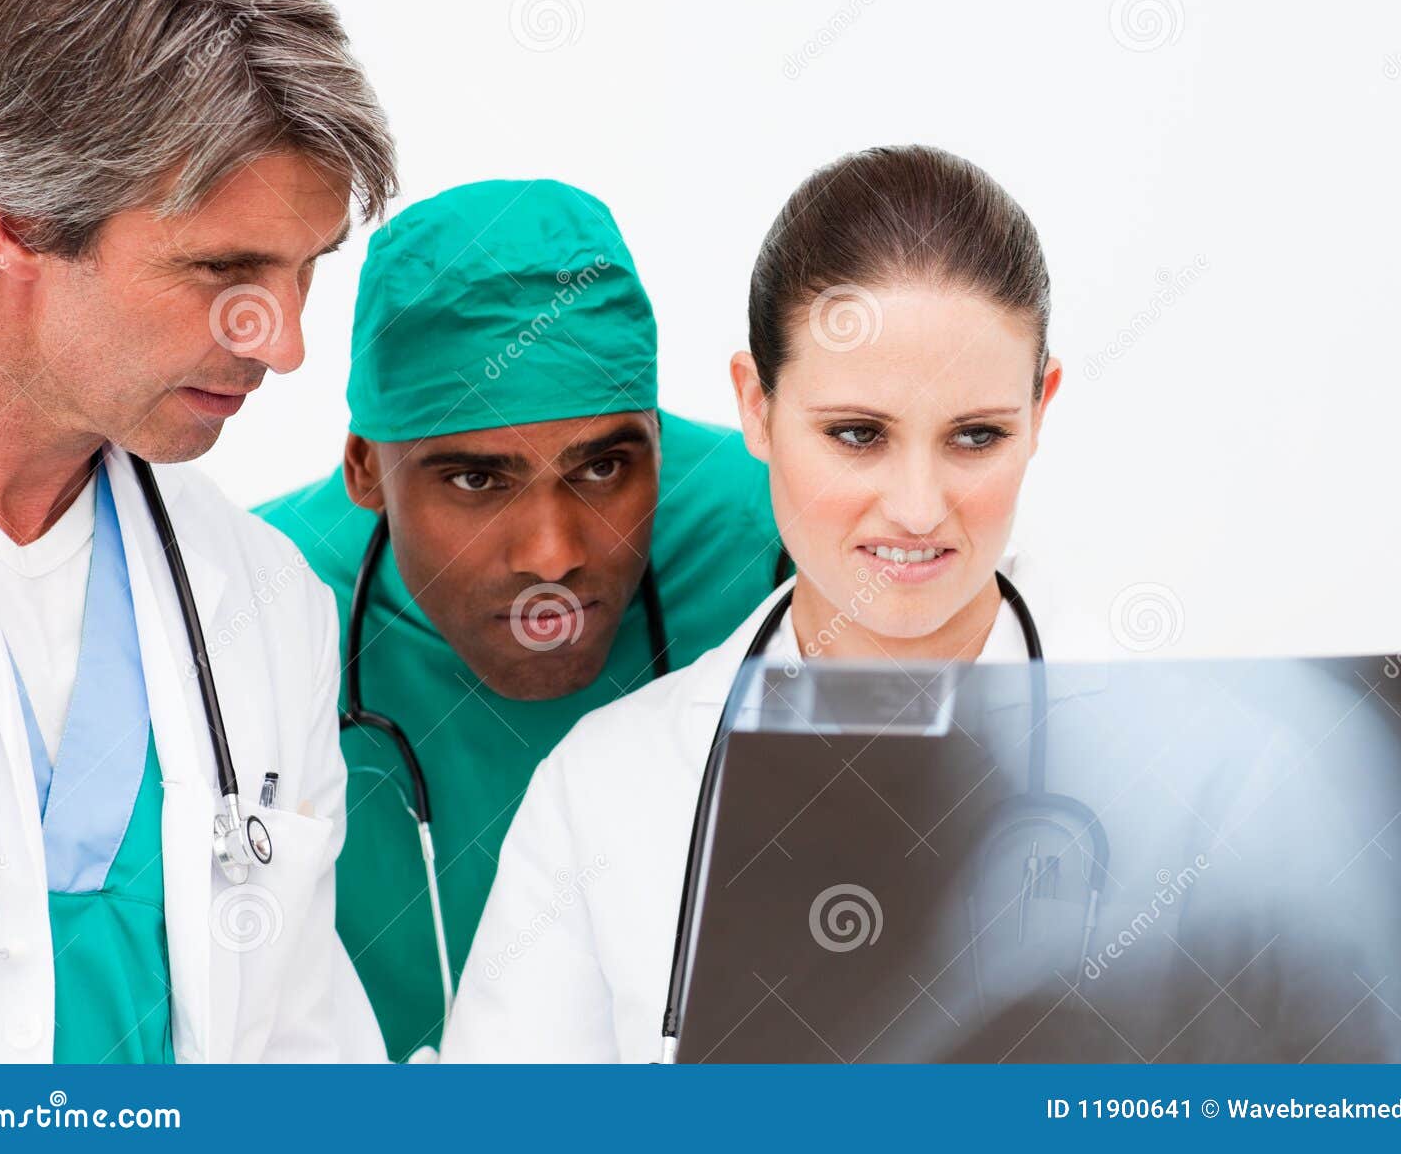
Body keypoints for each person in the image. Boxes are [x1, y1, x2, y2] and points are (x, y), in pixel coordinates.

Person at [441, 144, 1098, 1062]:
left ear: (1042, 410)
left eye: (976, 436)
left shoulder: (1203, 758)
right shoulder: (605, 789)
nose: (916, 505)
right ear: (756, 406)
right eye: (857, 435)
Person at [0, 0, 397, 1063]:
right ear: (15, 218)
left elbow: (298, 1063)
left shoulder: (267, 604)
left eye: (304, 268)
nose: (283, 342)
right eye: (221, 267)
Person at [255, 178, 787, 1061]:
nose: (551, 554)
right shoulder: (248, 602)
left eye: (605, 468)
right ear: (363, 470)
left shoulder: (777, 537)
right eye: (475, 480)